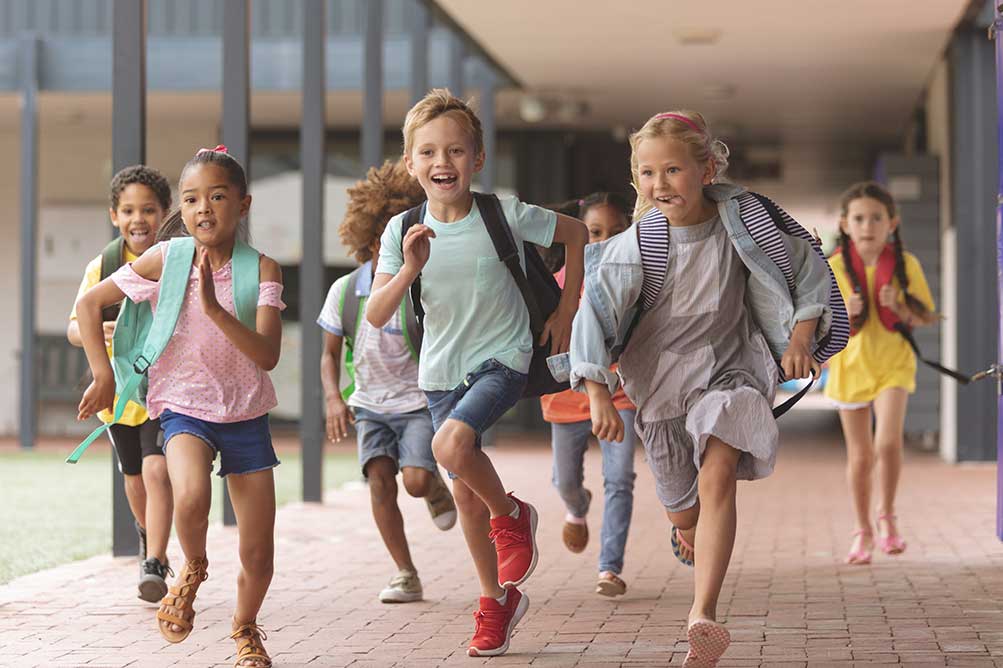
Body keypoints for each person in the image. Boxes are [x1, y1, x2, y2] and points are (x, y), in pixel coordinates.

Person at [569, 111, 845, 667]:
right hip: (660, 385)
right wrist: (597, 390)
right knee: (684, 511)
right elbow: (592, 312)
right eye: (647, 173)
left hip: (732, 369)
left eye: (673, 169)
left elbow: (808, 268)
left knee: (719, 474)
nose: (659, 184)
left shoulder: (747, 223)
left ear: (707, 168)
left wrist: (800, 334)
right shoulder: (636, 244)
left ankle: (703, 614)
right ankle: (687, 529)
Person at [366, 89, 589, 657]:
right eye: (429, 153)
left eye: (457, 151)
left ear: (478, 158)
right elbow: (376, 312)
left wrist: (566, 309)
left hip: (504, 356)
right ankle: (496, 601)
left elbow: (577, 234)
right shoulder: (402, 230)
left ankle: (513, 515)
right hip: (441, 369)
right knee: (464, 493)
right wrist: (409, 268)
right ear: (412, 163)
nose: (444, 163)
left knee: (450, 444)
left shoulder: (503, 213)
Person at [75, 146, 282, 667]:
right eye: (191, 199)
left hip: (246, 415)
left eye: (217, 196)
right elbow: (88, 303)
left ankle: (245, 628)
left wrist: (213, 308)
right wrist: (104, 375)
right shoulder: (168, 258)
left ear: (243, 203)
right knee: (188, 495)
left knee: (258, 554)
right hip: (183, 408)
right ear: (181, 211)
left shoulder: (262, 269)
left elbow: (268, 354)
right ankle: (192, 568)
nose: (203, 208)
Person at [318, 158, 458, 604]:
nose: (389, 246)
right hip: (369, 406)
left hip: (416, 403)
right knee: (380, 480)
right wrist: (333, 400)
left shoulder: (421, 288)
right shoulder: (345, 291)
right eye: (382, 238)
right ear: (369, 239)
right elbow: (328, 355)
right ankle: (404, 572)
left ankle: (433, 486)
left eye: (399, 236)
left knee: (414, 480)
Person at [67, 164, 174, 602]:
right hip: (119, 393)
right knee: (133, 476)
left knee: (156, 468)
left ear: (165, 212)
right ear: (114, 215)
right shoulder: (104, 266)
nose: (138, 219)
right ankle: (148, 536)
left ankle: (156, 560)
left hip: (165, 387)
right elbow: (76, 325)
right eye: (128, 210)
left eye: (148, 209)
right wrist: (100, 333)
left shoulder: (174, 258)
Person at [823, 181, 936, 566]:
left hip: (893, 363)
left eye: (876, 218)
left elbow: (924, 317)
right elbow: (818, 326)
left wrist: (899, 307)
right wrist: (846, 312)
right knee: (860, 455)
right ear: (844, 224)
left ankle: (887, 516)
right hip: (850, 366)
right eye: (859, 218)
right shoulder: (834, 267)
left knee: (887, 443)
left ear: (893, 223)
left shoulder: (907, 265)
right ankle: (862, 530)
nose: (867, 225)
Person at [540, 192, 638, 597]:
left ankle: (609, 568)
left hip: (619, 392)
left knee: (620, 478)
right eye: (594, 232)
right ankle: (577, 507)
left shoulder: (636, 279)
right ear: (576, 236)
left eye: (616, 232)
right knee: (566, 481)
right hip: (565, 395)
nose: (605, 240)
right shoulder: (555, 284)